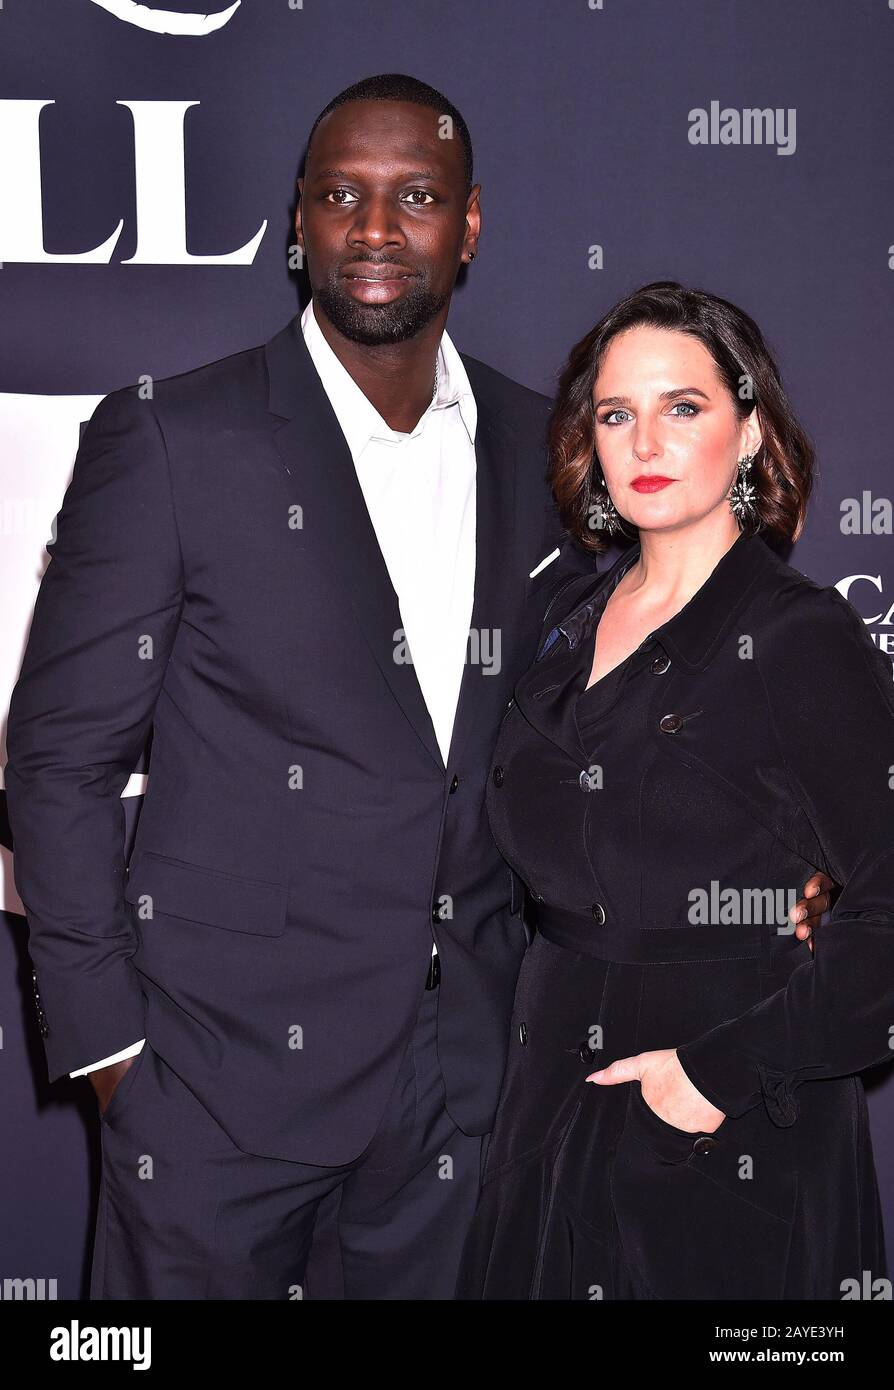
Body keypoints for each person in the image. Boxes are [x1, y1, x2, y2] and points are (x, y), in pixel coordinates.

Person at [5, 75, 830, 1299]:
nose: (376, 229)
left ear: (472, 223)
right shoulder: (177, 438)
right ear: (298, 224)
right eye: (342, 196)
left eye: (416, 198)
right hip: (211, 1098)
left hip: (466, 1102)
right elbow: (58, 759)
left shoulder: (548, 450)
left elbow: (628, 700)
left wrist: (786, 873)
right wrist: (113, 1056)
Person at [456, 280, 892, 1300]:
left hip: (724, 1128)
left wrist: (714, 1077)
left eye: (682, 408)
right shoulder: (564, 616)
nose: (645, 440)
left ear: (747, 431)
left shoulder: (799, 637)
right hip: (546, 1098)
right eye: (617, 414)